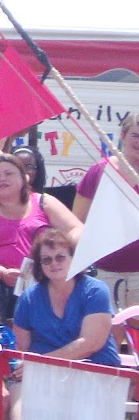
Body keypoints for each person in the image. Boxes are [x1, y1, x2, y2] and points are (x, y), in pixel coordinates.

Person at [7, 227, 121, 420]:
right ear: (39, 265)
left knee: (78, 376)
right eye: (46, 260)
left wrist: (40, 363)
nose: (53, 264)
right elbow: (22, 347)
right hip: (47, 373)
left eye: (60, 257)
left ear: (74, 258)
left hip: (94, 366)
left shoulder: (95, 290)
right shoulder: (29, 298)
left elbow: (91, 342)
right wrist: (28, 367)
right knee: (18, 385)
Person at [0, 154, 82, 322]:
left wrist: (59, 250)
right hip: (0, 279)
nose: (2, 179)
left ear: (25, 178)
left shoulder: (43, 201)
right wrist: (2, 272)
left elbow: (77, 229)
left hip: (41, 273)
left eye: (8, 174)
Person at [72, 114, 139, 291]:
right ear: (123, 135)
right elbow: (76, 221)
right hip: (103, 272)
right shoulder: (99, 171)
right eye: (135, 135)